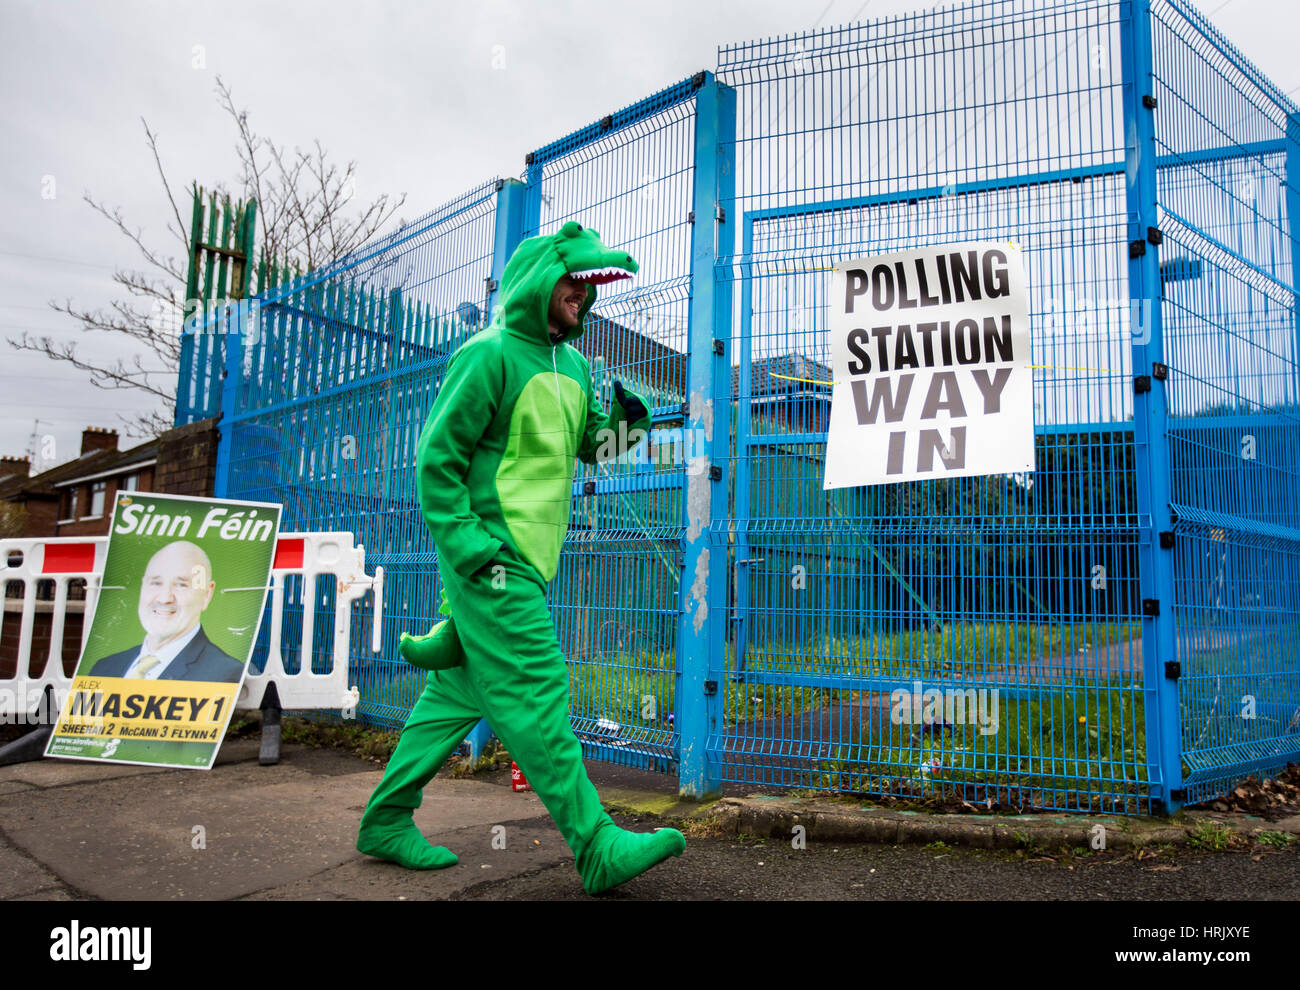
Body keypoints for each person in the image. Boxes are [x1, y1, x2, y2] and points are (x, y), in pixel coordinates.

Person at [356, 221, 685, 895]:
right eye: (572, 278)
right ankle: (595, 844)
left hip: (532, 564)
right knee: (539, 687)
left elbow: (592, 449)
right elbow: (436, 463)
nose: (582, 292)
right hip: (495, 560)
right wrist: (473, 551)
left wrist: (630, 421)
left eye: (587, 286)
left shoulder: (577, 366)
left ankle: (385, 820)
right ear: (539, 279)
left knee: (458, 690)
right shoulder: (488, 354)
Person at [88, 540, 244, 683]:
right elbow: (80, 713)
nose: (164, 599)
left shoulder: (225, 673)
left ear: (207, 594)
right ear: (143, 586)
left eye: (181, 585)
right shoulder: (103, 668)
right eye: (156, 583)